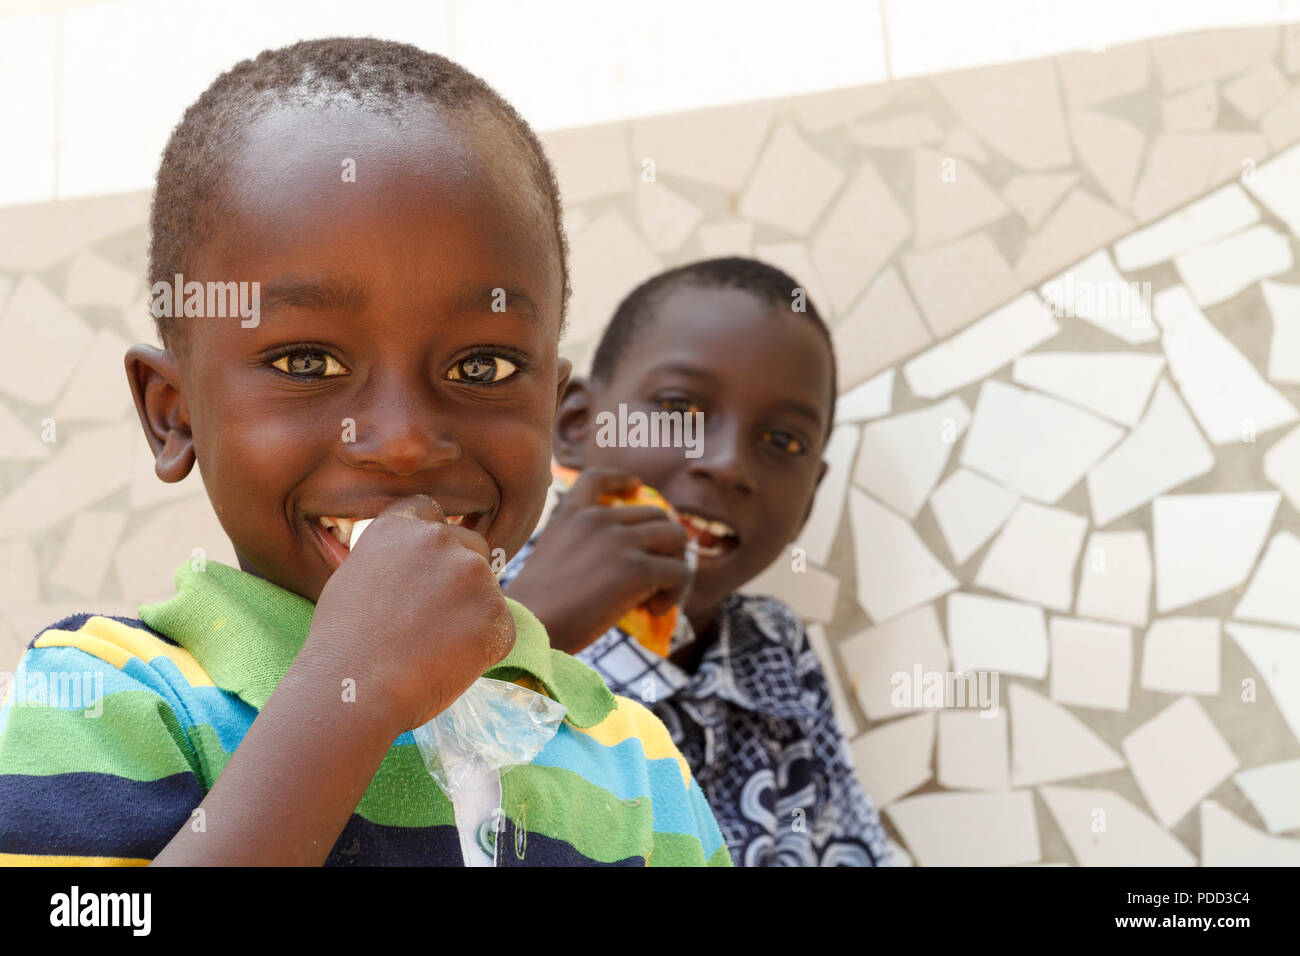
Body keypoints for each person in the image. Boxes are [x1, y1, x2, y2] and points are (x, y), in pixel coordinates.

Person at [0, 38, 729, 868]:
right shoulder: (108, 701)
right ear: (174, 416)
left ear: (552, 406)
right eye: (306, 363)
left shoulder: (638, 765)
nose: (406, 439)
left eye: (481, 366)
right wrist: (345, 701)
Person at [500, 257, 892, 866]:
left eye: (782, 441)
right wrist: (532, 634)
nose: (729, 464)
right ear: (574, 423)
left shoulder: (773, 651)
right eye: (680, 409)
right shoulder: (469, 603)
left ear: (810, 495)